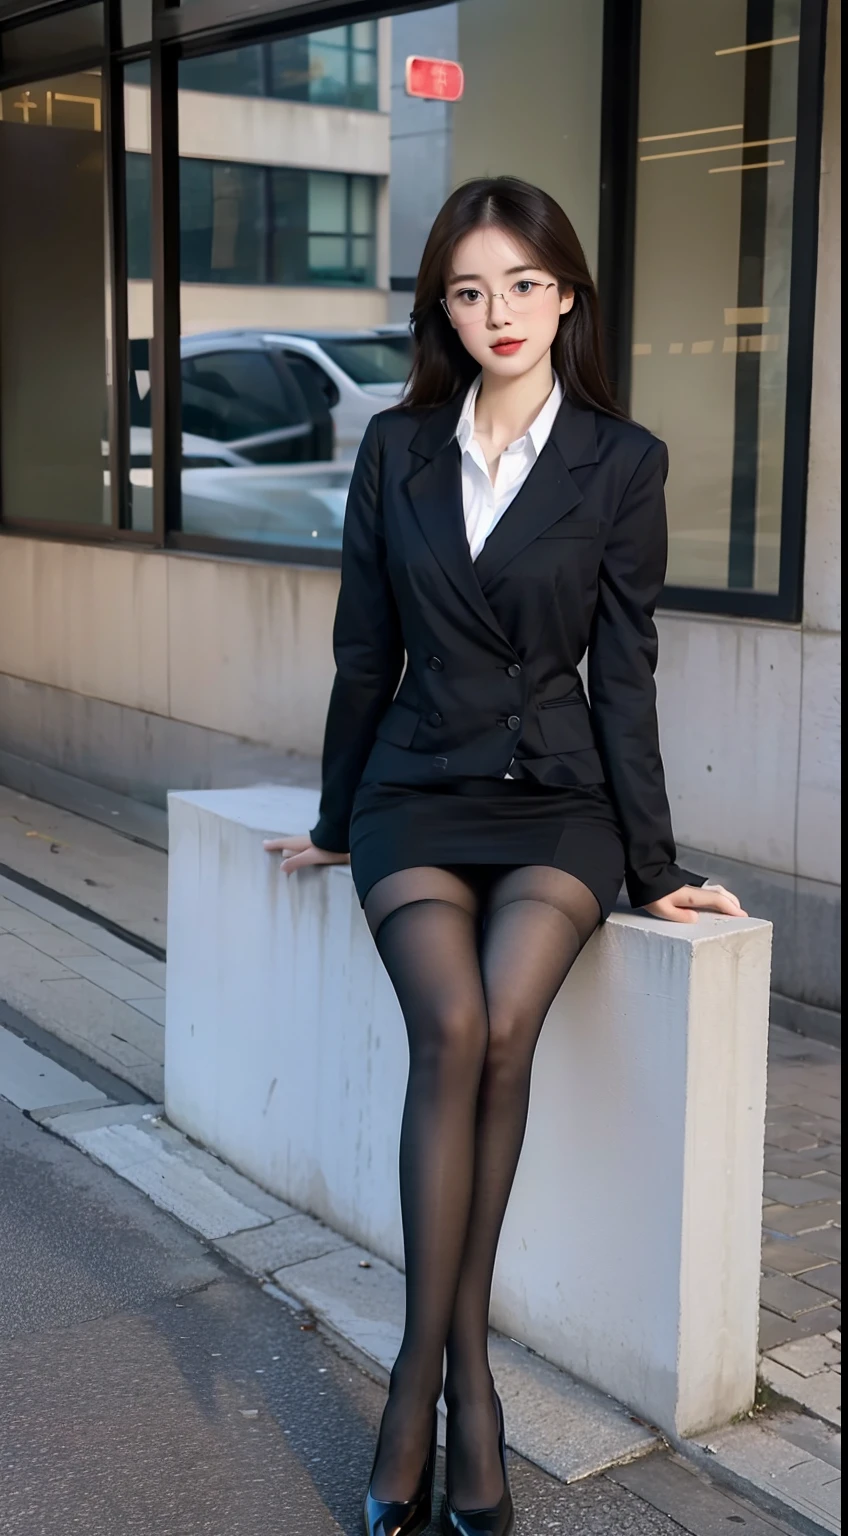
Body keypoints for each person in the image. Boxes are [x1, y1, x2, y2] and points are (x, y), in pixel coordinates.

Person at [265, 177, 745, 1536]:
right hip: (416, 790)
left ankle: (433, 1378)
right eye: (471, 291)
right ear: (444, 309)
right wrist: (339, 818)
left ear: (567, 293)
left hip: (556, 803)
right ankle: (452, 1375)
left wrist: (655, 864)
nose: (500, 313)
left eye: (524, 285)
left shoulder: (622, 462)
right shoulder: (396, 447)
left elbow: (626, 677)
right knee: (453, 1024)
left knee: (504, 1022)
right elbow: (366, 655)